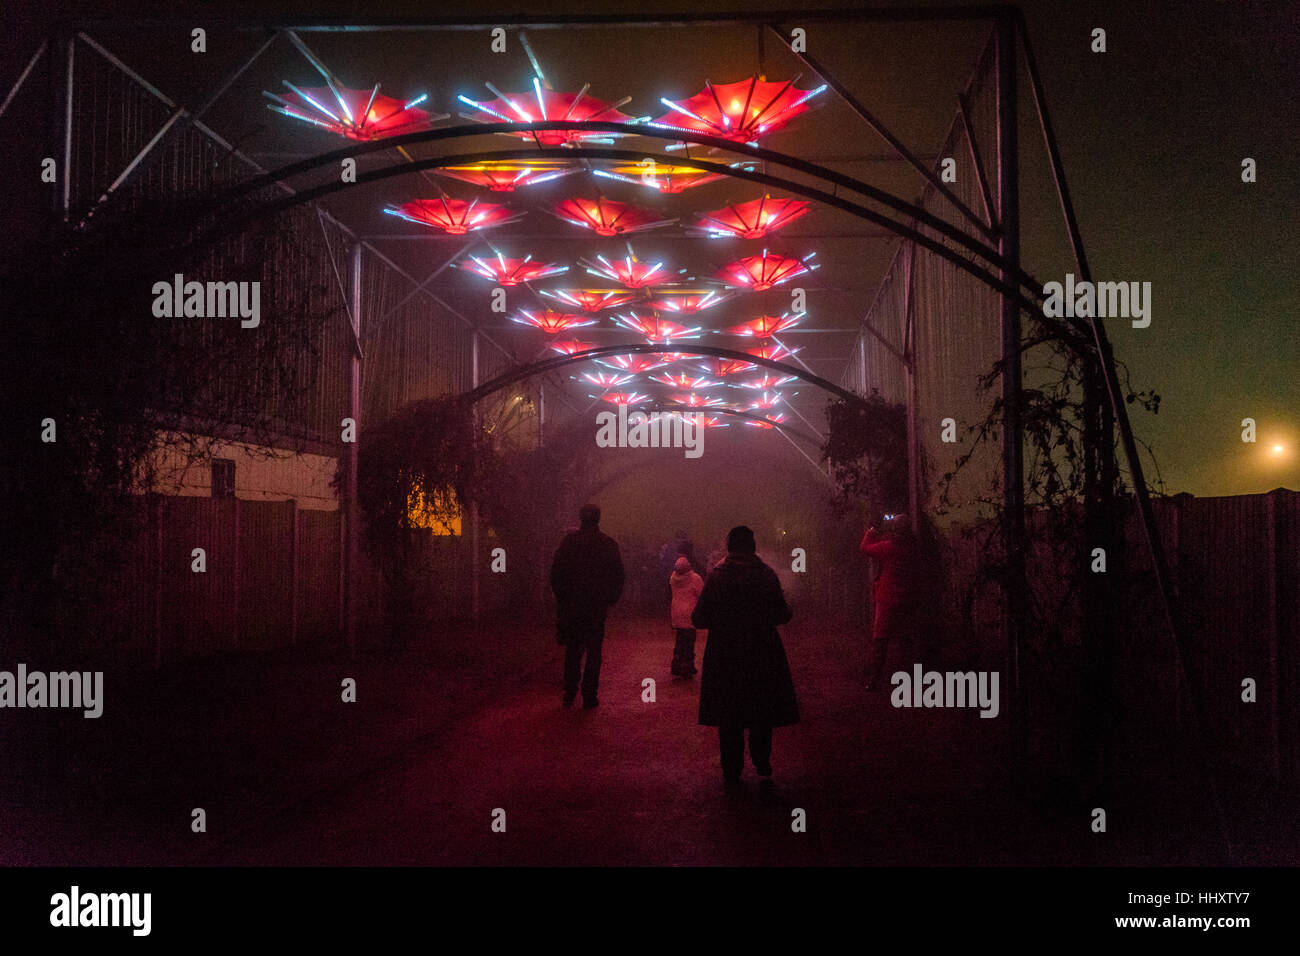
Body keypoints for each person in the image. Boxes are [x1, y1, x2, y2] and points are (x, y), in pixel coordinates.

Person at [692, 525, 798, 786]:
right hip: (763, 652)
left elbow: (699, 618)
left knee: (729, 713)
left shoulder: (717, 577)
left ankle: (732, 767)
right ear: (752, 545)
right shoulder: (766, 575)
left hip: (725, 653)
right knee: (762, 710)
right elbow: (782, 614)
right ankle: (762, 762)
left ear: (730, 546)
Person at [551, 504, 625, 709]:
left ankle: (570, 691)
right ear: (598, 519)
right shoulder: (608, 544)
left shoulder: (569, 543)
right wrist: (610, 599)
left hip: (572, 606)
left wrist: (562, 598)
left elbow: (556, 573)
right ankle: (589, 694)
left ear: (580, 518)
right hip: (596, 607)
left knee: (573, 649)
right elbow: (618, 575)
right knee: (594, 651)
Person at [859, 513, 920, 690]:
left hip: (887, 600)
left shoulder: (888, 547)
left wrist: (871, 532)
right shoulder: (913, 549)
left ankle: (875, 679)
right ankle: (907, 681)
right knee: (905, 641)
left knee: (880, 641)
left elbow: (865, 548)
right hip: (907, 598)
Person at [669, 556, 704, 678]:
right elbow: (702, 594)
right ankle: (687, 666)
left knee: (680, 640)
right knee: (689, 642)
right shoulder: (695, 578)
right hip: (690, 613)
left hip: (676, 612)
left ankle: (677, 663)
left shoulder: (673, 578)